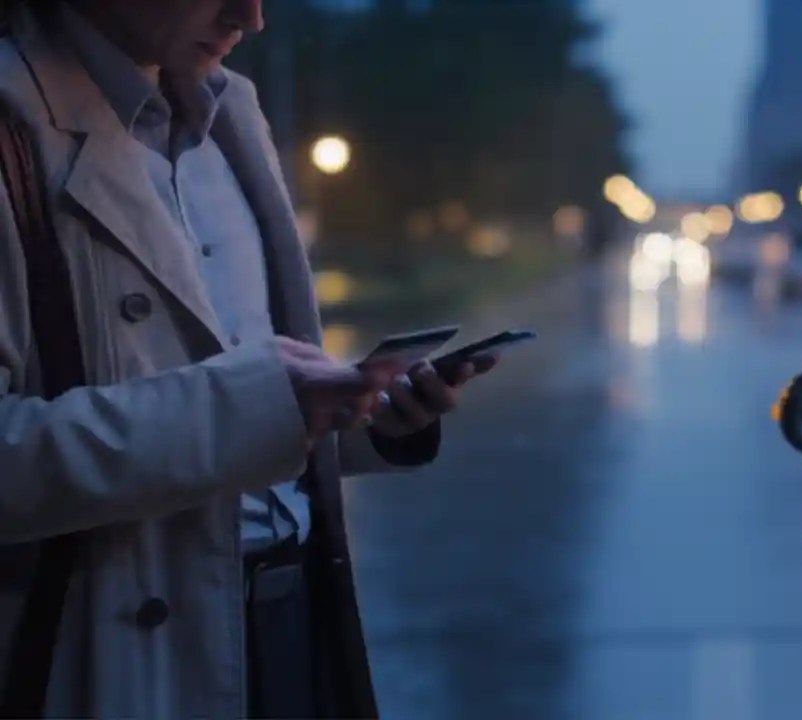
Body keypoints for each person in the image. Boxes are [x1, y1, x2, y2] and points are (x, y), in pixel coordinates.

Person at [0, 0, 494, 716]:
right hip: (109, 663)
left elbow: (238, 396)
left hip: (285, 621)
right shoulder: (15, 125)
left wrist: (366, 415)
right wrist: (257, 408)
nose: (251, 16)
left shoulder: (232, 114)